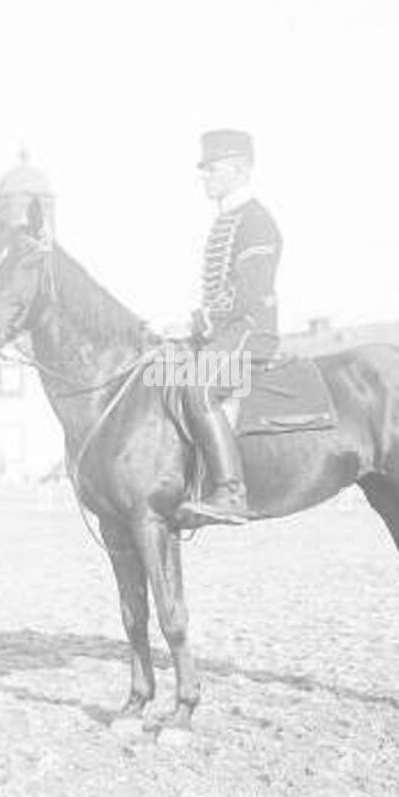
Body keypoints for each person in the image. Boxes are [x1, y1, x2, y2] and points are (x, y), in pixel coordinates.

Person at [175, 129, 283, 527]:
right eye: (203, 169)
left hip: (251, 332)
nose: (204, 176)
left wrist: (199, 320)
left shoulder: (256, 222)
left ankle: (231, 491)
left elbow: (247, 294)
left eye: (212, 169)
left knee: (199, 385)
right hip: (226, 331)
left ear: (240, 170)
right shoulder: (229, 219)